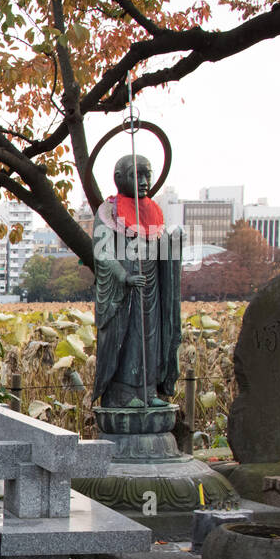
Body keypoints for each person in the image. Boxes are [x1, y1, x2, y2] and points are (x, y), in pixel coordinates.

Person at [92, 154, 182, 409]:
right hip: (124, 290)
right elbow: (102, 252)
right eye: (137, 175)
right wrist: (124, 276)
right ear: (119, 178)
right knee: (128, 338)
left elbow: (161, 245)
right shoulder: (108, 211)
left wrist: (174, 241)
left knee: (151, 336)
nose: (143, 181)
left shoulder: (153, 210)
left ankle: (148, 389)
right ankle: (121, 393)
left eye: (147, 175)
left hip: (151, 286)